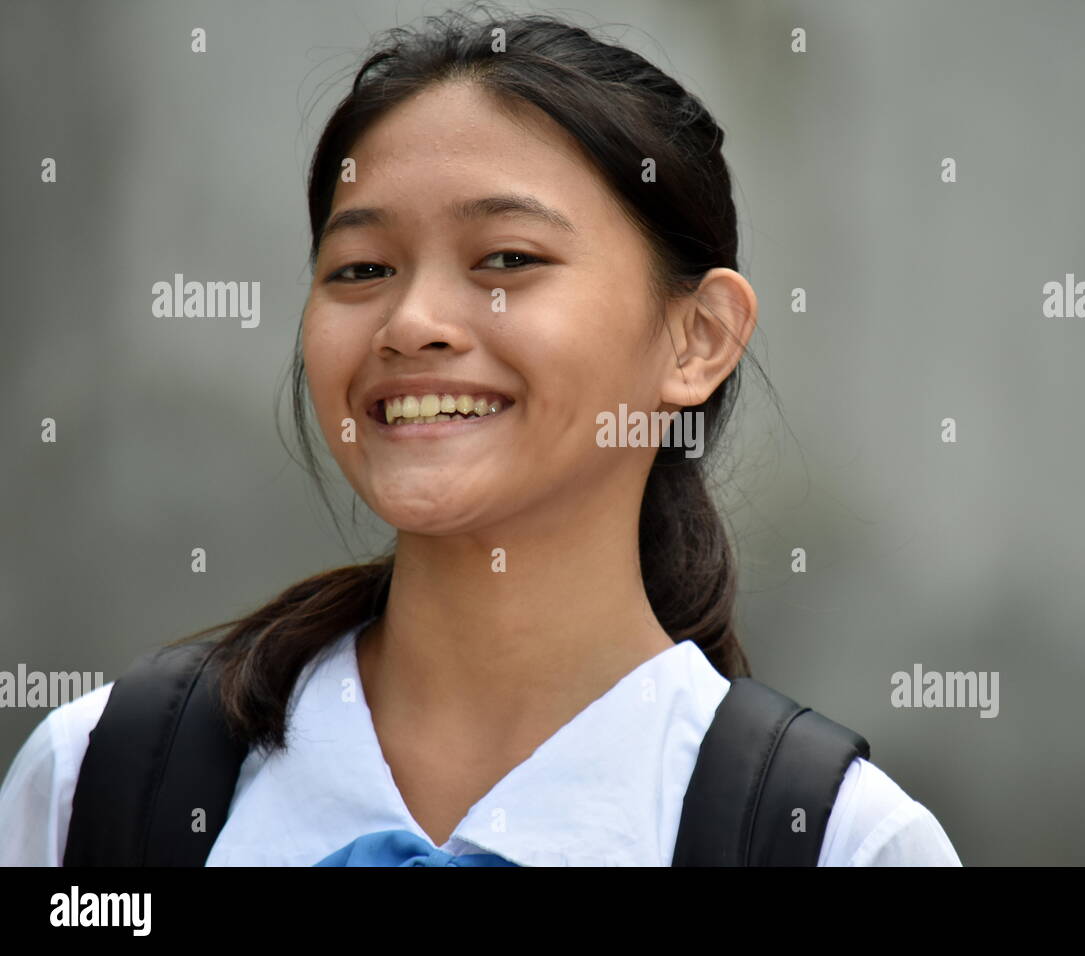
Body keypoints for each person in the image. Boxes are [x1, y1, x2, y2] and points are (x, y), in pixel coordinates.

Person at [0, 7, 961, 867]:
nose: (411, 322)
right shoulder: (102, 786)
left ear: (697, 338)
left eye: (507, 258)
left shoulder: (835, 842)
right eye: (361, 268)